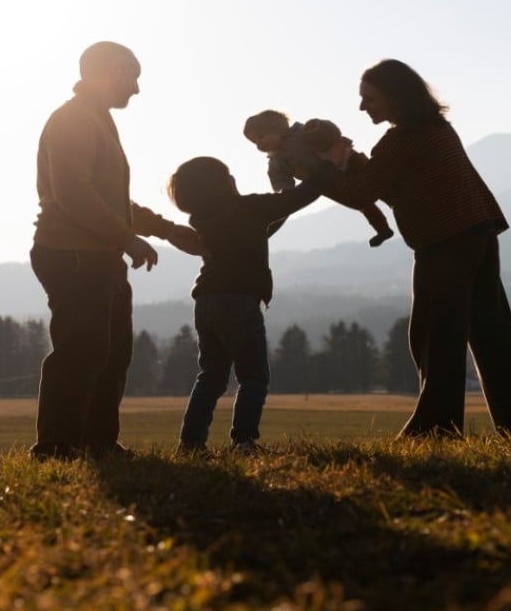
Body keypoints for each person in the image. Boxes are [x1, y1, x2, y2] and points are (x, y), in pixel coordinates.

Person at [310, 59, 511, 437]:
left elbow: (361, 194)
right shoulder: (437, 129)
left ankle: (435, 429)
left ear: (395, 96)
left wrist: (322, 170)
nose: (362, 107)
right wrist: (354, 163)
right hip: (478, 234)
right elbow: (402, 189)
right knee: (492, 336)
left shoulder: (399, 141)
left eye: (370, 99)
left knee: (433, 337)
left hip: (445, 246)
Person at [29, 41, 202, 461]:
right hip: (73, 254)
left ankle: (98, 443)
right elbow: (73, 193)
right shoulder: (73, 120)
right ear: (109, 72)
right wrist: (126, 238)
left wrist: (167, 231)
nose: (136, 89)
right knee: (81, 349)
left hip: (97, 254)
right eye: (132, 77)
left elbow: (112, 202)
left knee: (112, 352)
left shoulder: (96, 119)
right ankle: (55, 446)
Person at [166, 156, 327, 454]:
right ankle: (243, 441)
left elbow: (263, 225)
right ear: (223, 183)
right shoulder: (249, 208)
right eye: (228, 174)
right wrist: (326, 169)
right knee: (253, 375)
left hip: (206, 301)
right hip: (239, 301)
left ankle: (190, 443)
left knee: (211, 376)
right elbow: (296, 199)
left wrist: (282, 187)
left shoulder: (203, 218)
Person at [243, 109, 394, 247]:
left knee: (379, 183)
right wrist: (284, 193)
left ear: (277, 129)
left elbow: (329, 132)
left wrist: (319, 128)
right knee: (360, 202)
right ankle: (383, 229)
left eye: (261, 137)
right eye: (255, 142)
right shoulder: (276, 163)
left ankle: (396, 200)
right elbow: (282, 185)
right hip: (328, 183)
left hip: (348, 160)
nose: (259, 144)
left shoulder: (301, 133)